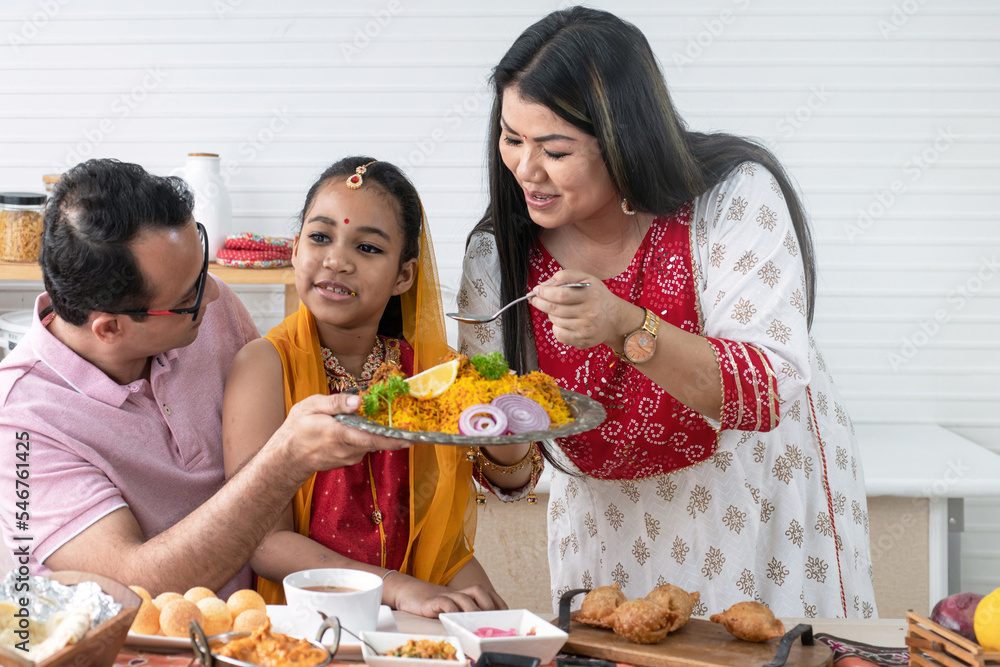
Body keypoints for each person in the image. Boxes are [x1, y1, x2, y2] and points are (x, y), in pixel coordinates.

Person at [458, 7, 878, 618]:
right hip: (608, 526)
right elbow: (510, 473)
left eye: (554, 149)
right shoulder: (497, 257)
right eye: (511, 138)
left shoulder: (730, 198)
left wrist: (624, 324)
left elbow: (762, 391)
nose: (525, 169)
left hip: (756, 497)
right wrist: (495, 434)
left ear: (624, 139)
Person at [0, 158, 410, 596]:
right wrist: (285, 459)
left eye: (202, 271)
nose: (214, 294)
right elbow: (140, 585)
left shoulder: (212, 311)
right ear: (110, 328)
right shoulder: (22, 424)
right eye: (189, 295)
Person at [223, 157, 505, 617]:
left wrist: (488, 621)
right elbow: (264, 541)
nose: (336, 260)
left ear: (404, 275)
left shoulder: (433, 375)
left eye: (368, 248)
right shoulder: (265, 366)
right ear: (294, 249)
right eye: (320, 237)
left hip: (421, 604)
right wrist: (398, 589)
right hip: (311, 619)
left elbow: (457, 525)